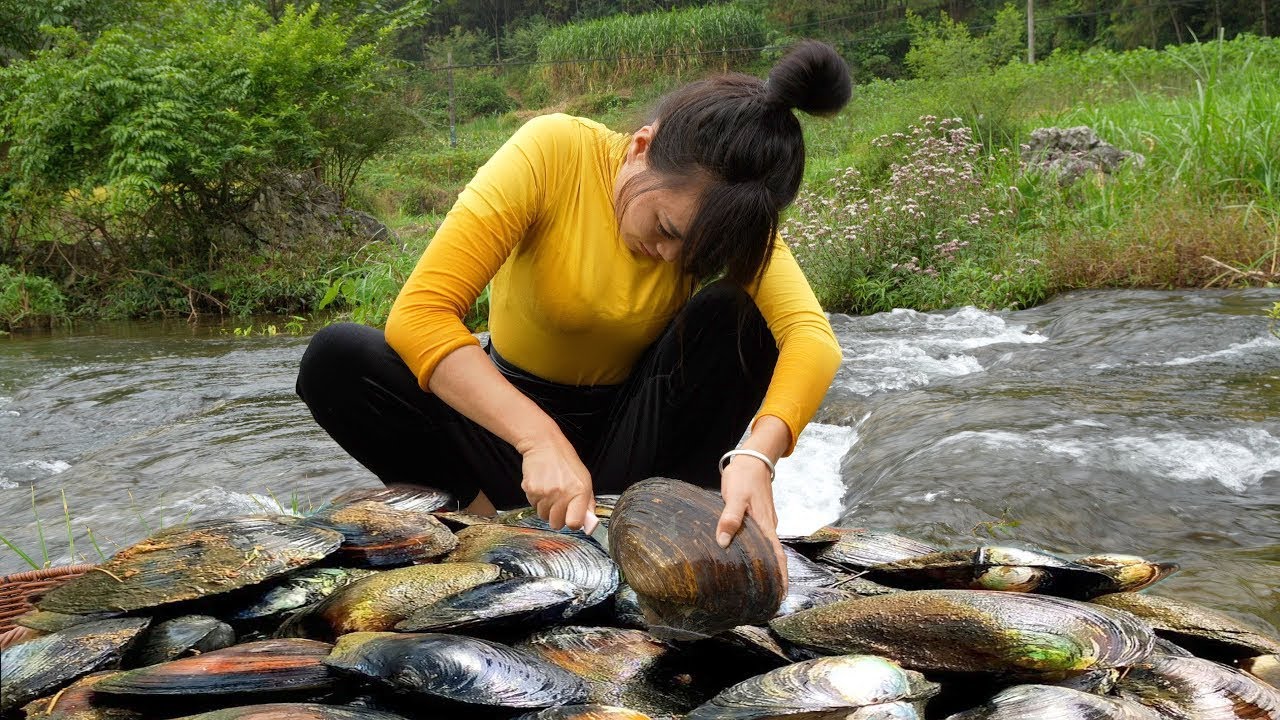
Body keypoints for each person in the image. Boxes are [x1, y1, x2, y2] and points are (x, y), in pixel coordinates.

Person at [296, 40, 850, 561]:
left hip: (631, 438)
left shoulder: (730, 216)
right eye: (664, 227)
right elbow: (421, 313)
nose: (668, 258)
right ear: (641, 147)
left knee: (740, 315)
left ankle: (661, 523)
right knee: (340, 358)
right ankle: (488, 520)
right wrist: (538, 439)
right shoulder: (555, 150)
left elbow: (811, 338)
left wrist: (758, 453)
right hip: (506, 430)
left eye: (695, 255)